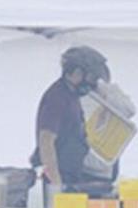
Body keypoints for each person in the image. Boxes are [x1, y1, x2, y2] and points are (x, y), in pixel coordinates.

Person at [33, 46, 110, 191]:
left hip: (71, 173)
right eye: (92, 77)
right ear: (76, 73)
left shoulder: (71, 96)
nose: (93, 83)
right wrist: (56, 184)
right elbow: (46, 141)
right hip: (57, 176)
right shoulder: (57, 98)